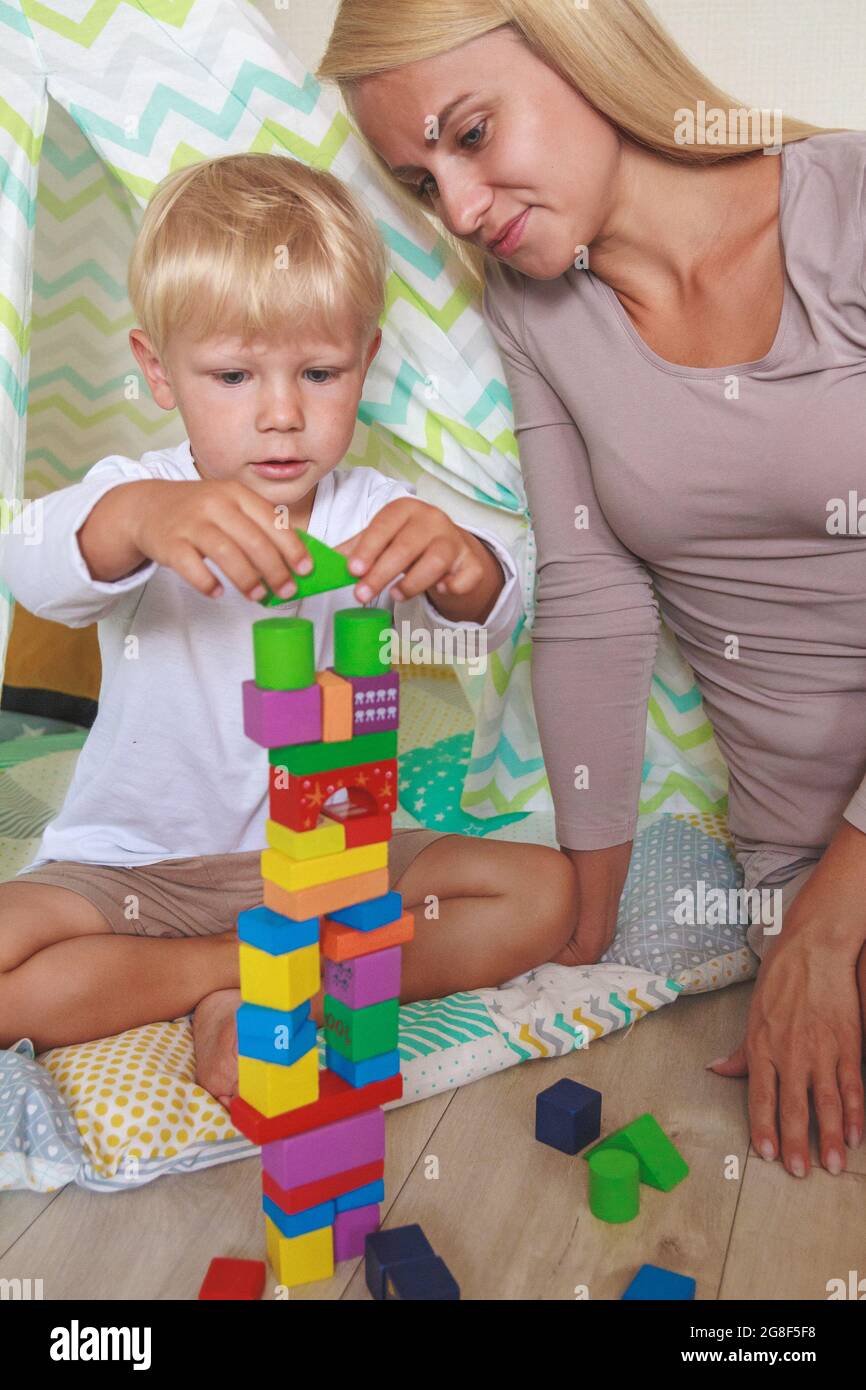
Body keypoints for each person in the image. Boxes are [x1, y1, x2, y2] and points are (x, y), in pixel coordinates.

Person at [317, 0, 866, 1180]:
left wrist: (836, 915)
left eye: (470, 135)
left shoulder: (848, 204)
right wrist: (585, 908)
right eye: (419, 183)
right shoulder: (534, 307)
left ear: (577, 45)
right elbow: (590, 597)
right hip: (794, 865)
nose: (461, 208)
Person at [0, 152, 576, 1106]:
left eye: (318, 372)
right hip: (140, 870)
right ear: (158, 371)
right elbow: (32, 564)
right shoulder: (139, 497)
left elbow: (489, 620)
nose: (280, 415)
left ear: (366, 363)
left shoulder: (371, 509)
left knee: (544, 894)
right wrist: (139, 519)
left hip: (333, 865)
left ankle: (260, 977)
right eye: (233, 374)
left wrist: (467, 566)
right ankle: (241, 973)